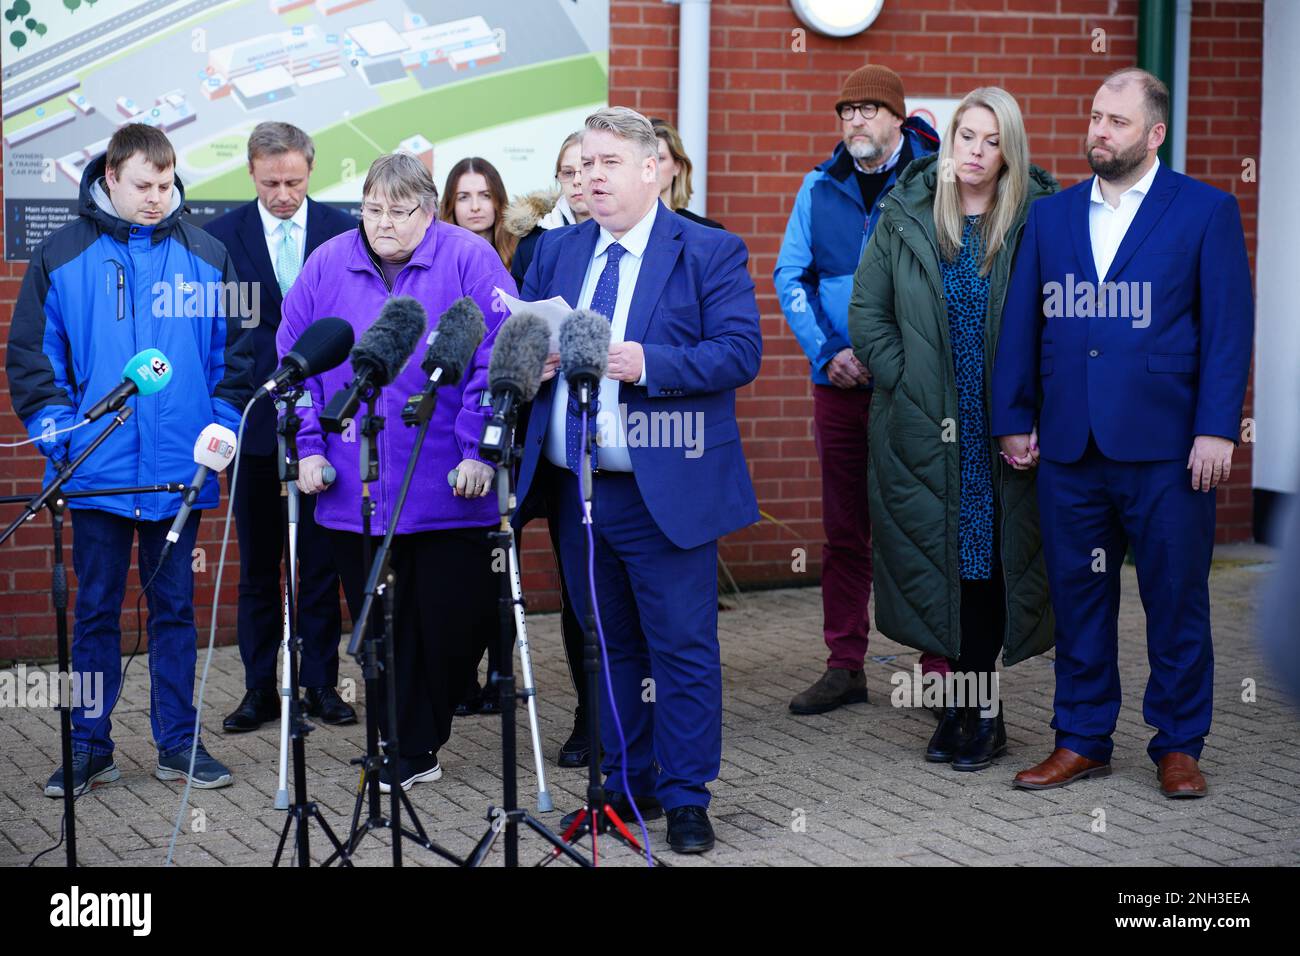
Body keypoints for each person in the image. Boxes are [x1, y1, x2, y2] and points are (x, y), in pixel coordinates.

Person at [991, 68, 1255, 798]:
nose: (1099, 132)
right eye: (1096, 117)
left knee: (1175, 599)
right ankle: (1081, 739)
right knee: (1078, 600)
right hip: (1070, 447)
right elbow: (1023, 321)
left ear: (1155, 133)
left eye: (1117, 122)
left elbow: (1228, 331)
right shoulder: (1051, 217)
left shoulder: (1205, 211)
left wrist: (1217, 430)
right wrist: (1013, 418)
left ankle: (1178, 745)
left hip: (1170, 449)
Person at [514, 107, 762, 854]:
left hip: (666, 486)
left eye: (608, 162)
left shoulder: (709, 250)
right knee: (607, 646)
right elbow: (517, 349)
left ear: (654, 170)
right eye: (584, 163)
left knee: (680, 647)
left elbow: (739, 353)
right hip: (576, 487)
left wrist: (645, 362)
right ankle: (624, 788)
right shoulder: (555, 251)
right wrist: (535, 362)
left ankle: (686, 796)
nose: (591, 175)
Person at [6, 123, 254, 796]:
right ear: (109, 178)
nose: (154, 197)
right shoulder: (59, 255)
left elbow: (237, 355)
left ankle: (178, 744)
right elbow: (33, 356)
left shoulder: (209, 255)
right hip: (97, 473)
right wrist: (63, 436)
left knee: (174, 611)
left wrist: (223, 429)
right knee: (94, 612)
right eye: (142, 185)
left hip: (180, 472)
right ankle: (89, 746)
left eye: (165, 183)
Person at [276, 152, 511, 793]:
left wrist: (477, 451)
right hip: (353, 484)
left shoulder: (468, 258)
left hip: (447, 486)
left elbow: (498, 356)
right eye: (372, 209)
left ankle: (421, 732)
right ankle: (400, 746)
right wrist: (309, 447)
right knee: (378, 625)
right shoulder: (328, 262)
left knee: (449, 624)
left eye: (398, 212)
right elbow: (295, 355)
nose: (382, 223)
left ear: (428, 211)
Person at [850, 88, 1058, 770]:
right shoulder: (906, 211)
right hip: (926, 423)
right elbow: (867, 311)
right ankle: (961, 707)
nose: (973, 150)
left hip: (1002, 426)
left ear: (1009, 151)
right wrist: (904, 378)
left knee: (991, 566)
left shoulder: (1038, 217)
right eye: (965, 135)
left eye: (990, 140)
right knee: (945, 567)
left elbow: (1060, 321)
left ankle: (984, 709)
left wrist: (1034, 410)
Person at [774, 63, 947, 716]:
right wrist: (829, 350)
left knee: (921, 525)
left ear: (898, 117)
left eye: (868, 110)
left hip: (915, 391)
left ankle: (937, 668)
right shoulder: (818, 189)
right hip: (840, 386)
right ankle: (846, 664)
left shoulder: (937, 183)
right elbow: (791, 276)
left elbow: (950, 281)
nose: (855, 122)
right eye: (846, 112)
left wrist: (904, 359)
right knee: (845, 531)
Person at [204, 121, 357, 733]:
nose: (284, 194)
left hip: (327, 422)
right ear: (251, 172)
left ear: (310, 172)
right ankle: (259, 690)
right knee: (260, 565)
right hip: (257, 426)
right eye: (272, 183)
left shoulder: (344, 232)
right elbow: (219, 338)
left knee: (319, 564)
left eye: (294, 181)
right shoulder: (219, 238)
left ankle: (320, 684)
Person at [501, 131, 598, 765]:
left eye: (592, 169)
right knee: (576, 589)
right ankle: (591, 716)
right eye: (570, 172)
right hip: (554, 442)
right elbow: (517, 328)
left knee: (604, 591)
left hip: (620, 442)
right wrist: (532, 357)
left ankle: (621, 712)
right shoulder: (543, 247)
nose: (582, 184)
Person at [505, 131, 591, 289]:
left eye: (586, 169)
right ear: (558, 178)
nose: (577, 181)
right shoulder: (534, 242)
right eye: (568, 173)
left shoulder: (623, 234)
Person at [439, 156, 518, 272]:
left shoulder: (523, 251)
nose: (475, 207)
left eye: (485, 195)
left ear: (499, 200)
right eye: (463, 197)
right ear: (451, 204)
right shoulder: (435, 255)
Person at [649, 117, 724, 229]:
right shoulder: (618, 229)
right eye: (645, 158)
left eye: (660, 158)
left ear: (677, 167)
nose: (651, 166)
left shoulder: (709, 233)